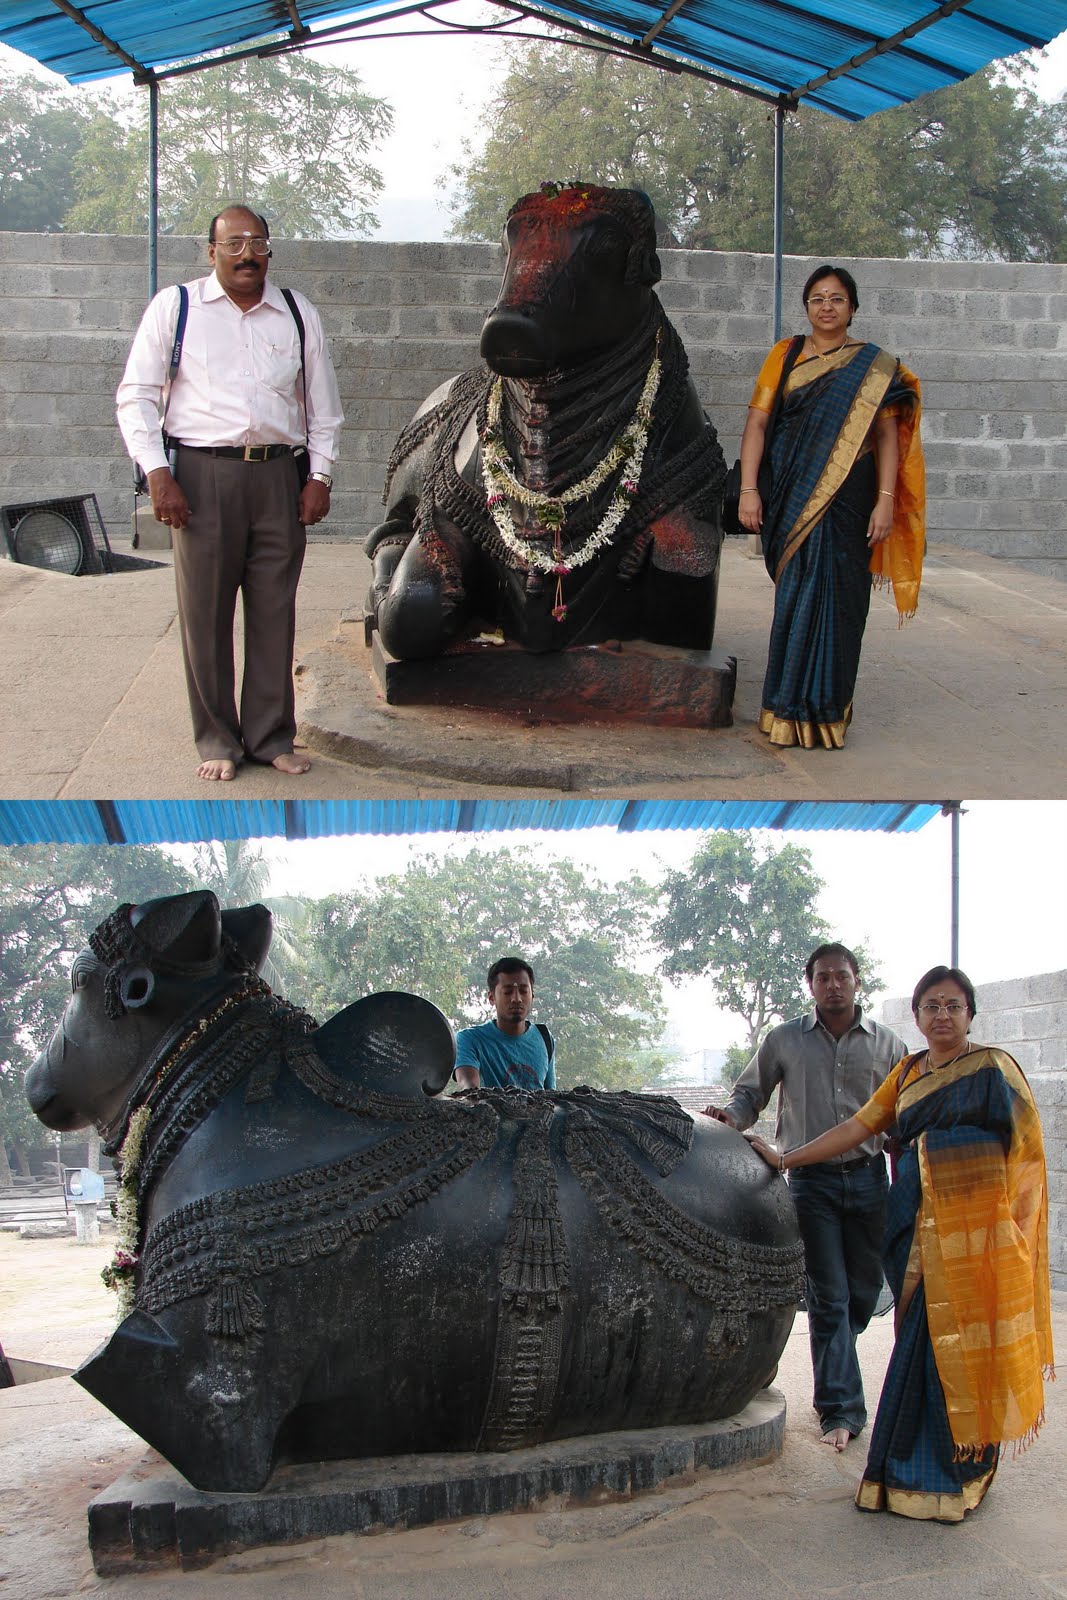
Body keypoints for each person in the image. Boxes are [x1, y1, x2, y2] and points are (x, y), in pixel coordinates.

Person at [749, 966, 1053, 1523]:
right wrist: (786, 1157)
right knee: (918, 1343)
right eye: (932, 1006)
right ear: (916, 1015)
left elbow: (1028, 1156)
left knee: (962, 1349)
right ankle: (905, 1470)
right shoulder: (910, 1073)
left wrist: (1011, 1235)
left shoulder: (993, 1070)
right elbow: (859, 1127)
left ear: (970, 1014)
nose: (942, 1015)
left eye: (954, 1006)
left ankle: (965, 1468)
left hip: (976, 1242)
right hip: (915, 1229)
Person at [116, 205, 344, 783]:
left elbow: (323, 406)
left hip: (278, 478)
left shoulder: (295, 312)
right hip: (200, 477)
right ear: (211, 251)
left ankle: (270, 737)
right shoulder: (178, 307)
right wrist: (155, 473)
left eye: (258, 242)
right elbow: (137, 395)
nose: (247, 253)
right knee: (206, 615)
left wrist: (319, 477)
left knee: (274, 611)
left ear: (270, 250)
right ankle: (217, 738)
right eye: (234, 242)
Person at [704, 943, 908, 1451]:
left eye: (842, 976)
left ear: (857, 981)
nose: (833, 984)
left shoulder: (889, 1047)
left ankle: (839, 1352)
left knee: (862, 1293)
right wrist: (731, 1119)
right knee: (829, 1298)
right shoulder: (784, 1040)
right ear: (810, 984)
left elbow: (904, 1115)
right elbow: (749, 1095)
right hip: (809, 1183)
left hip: (869, 1180)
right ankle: (839, 1409)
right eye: (823, 977)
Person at [738, 265, 925, 750]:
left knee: (843, 603)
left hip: (852, 501)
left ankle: (825, 714)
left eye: (837, 299)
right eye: (818, 298)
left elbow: (885, 436)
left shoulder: (875, 367)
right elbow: (757, 425)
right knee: (794, 599)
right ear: (806, 307)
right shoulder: (785, 354)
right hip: (791, 495)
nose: (827, 306)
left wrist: (885, 502)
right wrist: (748, 489)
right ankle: (783, 709)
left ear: (853, 308)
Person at [454, 958, 556, 1091]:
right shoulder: (469, 1039)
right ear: (492, 998)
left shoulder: (544, 1038)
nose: (516, 999)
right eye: (507, 992)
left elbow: (552, 1097)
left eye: (524, 991)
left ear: (532, 996)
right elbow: (469, 1090)